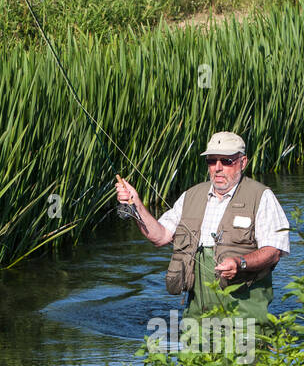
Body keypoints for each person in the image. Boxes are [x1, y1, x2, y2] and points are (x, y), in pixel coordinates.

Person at [113, 132, 289, 323]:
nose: (218, 168)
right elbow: (160, 236)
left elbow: (274, 251)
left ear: (243, 162)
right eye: (212, 161)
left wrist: (240, 263)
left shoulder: (261, 196)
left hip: (246, 319)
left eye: (226, 161)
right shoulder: (191, 195)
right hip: (197, 319)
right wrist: (136, 204)